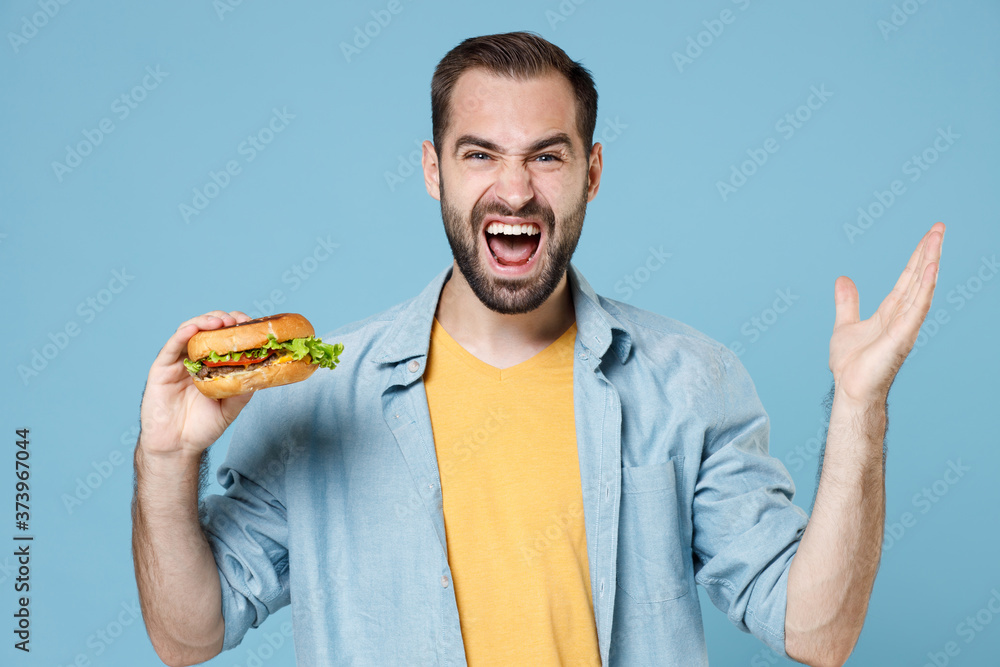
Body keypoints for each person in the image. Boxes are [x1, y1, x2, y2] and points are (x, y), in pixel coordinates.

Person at [132, 32, 945, 667]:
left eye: (546, 156)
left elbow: (817, 632)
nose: (514, 189)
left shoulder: (690, 382)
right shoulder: (317, 394)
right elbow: (188, 635)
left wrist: (861, 409)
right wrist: (165, 462)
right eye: (479, 153)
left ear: (591, 172)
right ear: (432, 171)